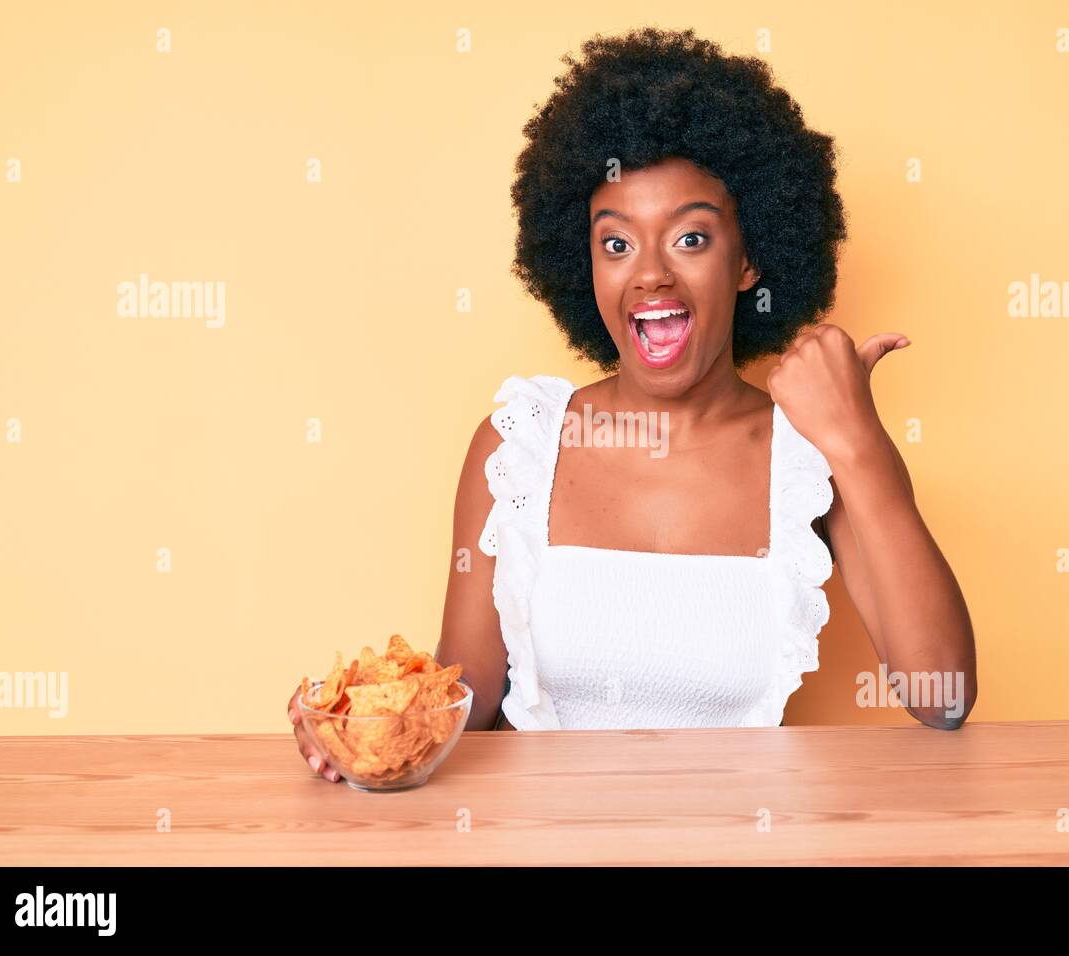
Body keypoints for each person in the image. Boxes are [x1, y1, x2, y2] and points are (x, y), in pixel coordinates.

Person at [291, 26, 976, 779]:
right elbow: (466, 703)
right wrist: (365, 730)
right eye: (616, 244)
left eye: (689, 239)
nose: (648, 275)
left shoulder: (810, 455)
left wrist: (856, 440)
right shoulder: (517, 446)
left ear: (748, 261)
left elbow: (941, 696)